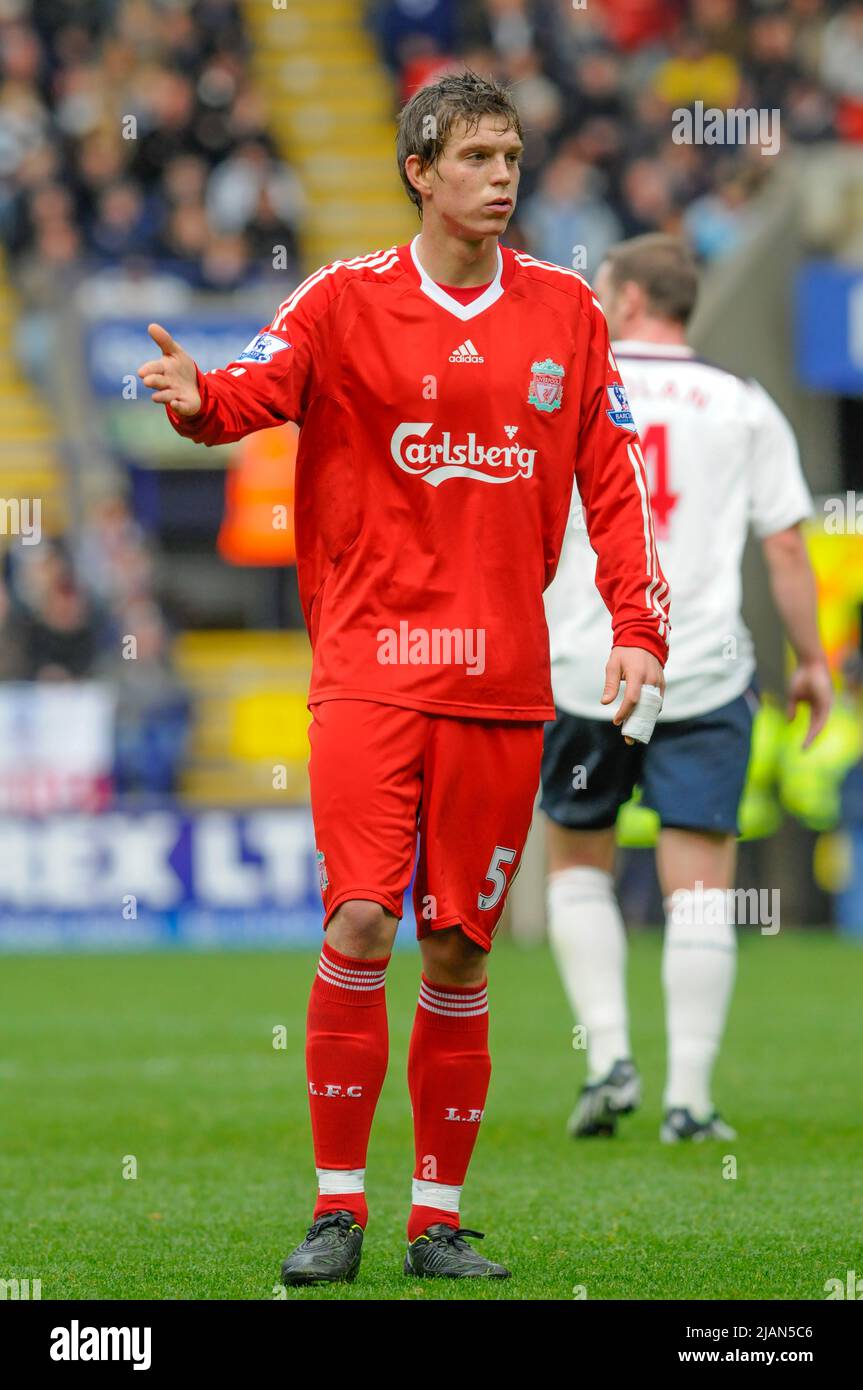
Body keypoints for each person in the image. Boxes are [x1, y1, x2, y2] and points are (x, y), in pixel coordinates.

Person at [137, 70, 669, 1284]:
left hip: (501, 679)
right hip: (371, 667)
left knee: (461, 953)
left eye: (512, 157)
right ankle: (336, 1210)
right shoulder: (341, 300)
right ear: (419, 171)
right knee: (363, 915)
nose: (501, 177)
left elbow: (612, 476)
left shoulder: (567, 314)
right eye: (476, 157)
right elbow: (249, 396)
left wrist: (635, 622)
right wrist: (194, 400)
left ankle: (436, 1220)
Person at [542, 233, 832, 1144]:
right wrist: (811, 659)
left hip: (583, 665)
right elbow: (786, 543)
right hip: (698, 669)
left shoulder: (565, 386)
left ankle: (606, 1061)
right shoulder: (740, 401)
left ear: (627, 301)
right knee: (700, 883)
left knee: (578, 859)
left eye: (600, 287)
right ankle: (690, 1100)